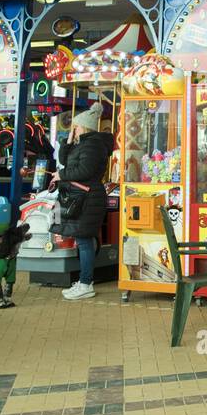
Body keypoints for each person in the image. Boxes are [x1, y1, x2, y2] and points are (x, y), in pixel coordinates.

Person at [51, 103, 114, 301]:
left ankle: (86, 283)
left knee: (85, 241)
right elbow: (64, 160)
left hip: (87, 197)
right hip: (82, 196)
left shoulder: (93, 144)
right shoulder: (84, 143)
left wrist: (61, 175)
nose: (74, 129)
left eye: (76, 127)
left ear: (84, 126)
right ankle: (85, 281)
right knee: (83, 240)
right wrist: (68, 141)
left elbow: (84, 171)